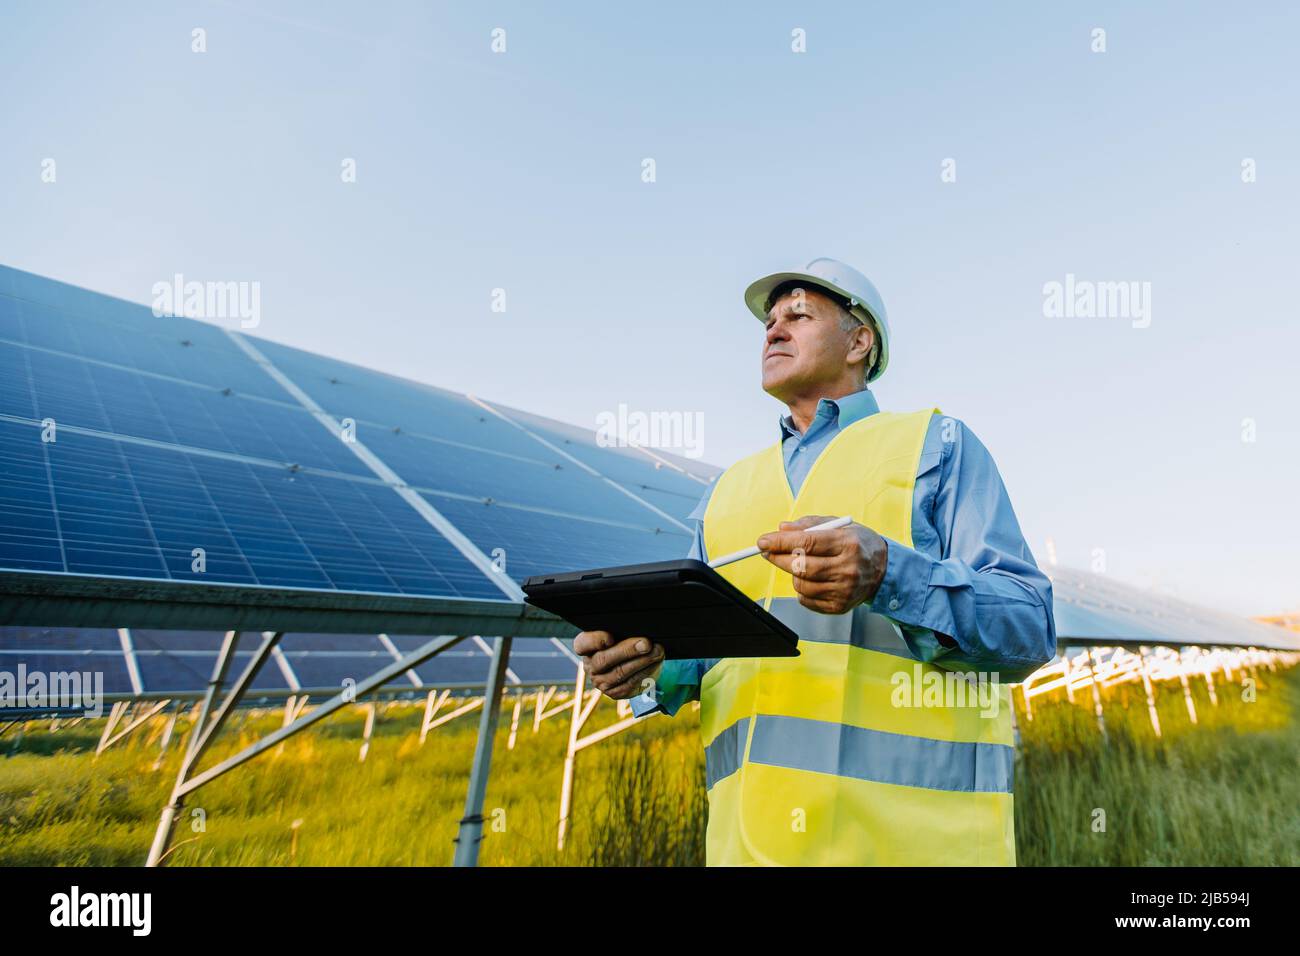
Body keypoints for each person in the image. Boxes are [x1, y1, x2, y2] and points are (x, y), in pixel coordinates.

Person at [574, 258, 1056, 865]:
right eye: (769, 322)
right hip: (744, 849)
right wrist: (648, 666)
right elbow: (711, 656)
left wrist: (889, 576)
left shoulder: (938, 446)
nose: (773, 330)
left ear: (860, 341)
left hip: (914, 847)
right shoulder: (728, 490)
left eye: (797, 314)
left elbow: (1031, 628)